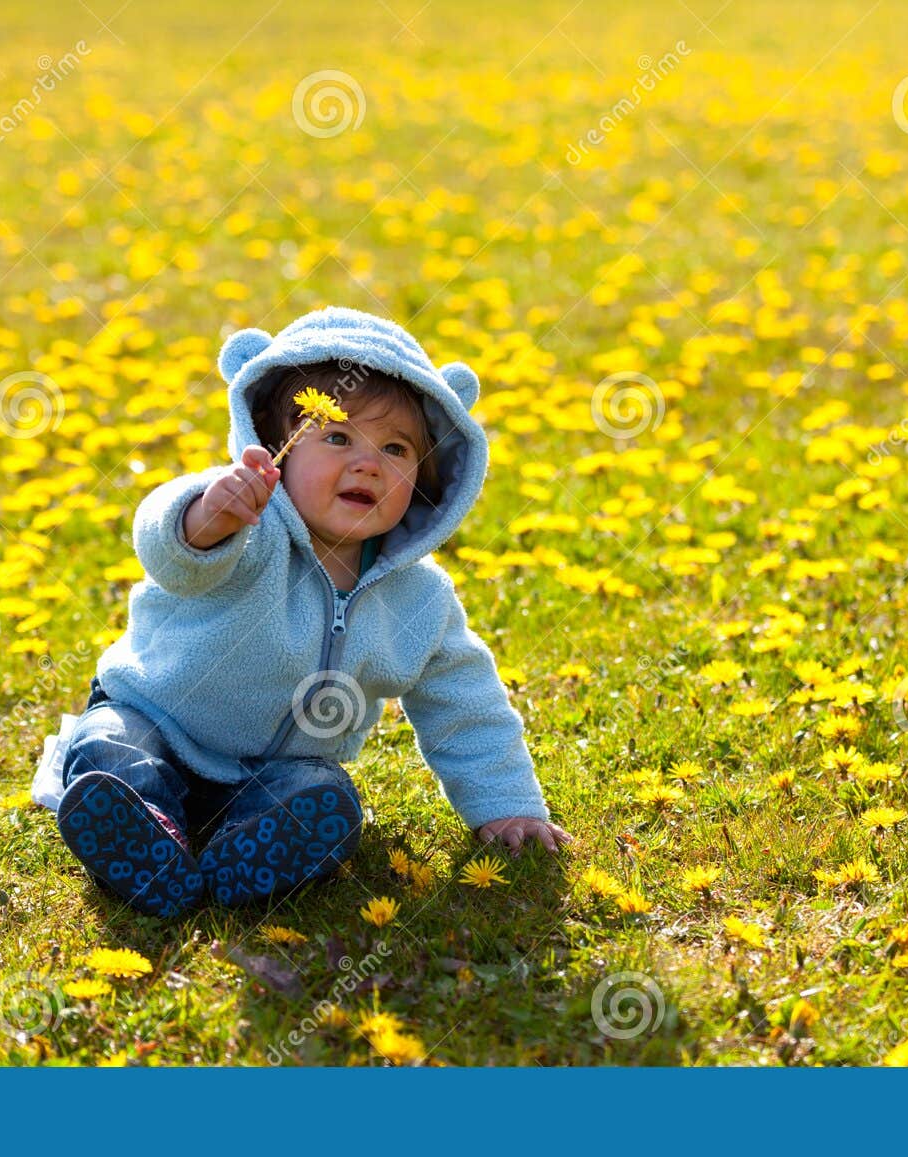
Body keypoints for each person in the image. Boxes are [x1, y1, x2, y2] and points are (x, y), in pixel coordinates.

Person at [49, 306, 572, 918]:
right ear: (278, 450)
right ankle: (139, 829)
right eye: (337, 436)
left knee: (326, 796)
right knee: (113, 751)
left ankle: (234, 850)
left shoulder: (419, 599)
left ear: (425, 478)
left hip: (272, 776)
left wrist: (506, 802)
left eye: (396, 448)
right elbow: (172, 554)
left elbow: (467, 701)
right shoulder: (248, 530)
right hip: (157, 723)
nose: (368, 463)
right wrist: (206, 519)